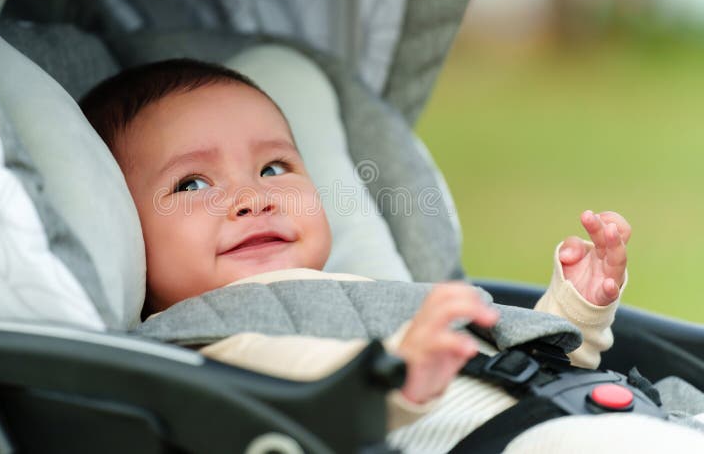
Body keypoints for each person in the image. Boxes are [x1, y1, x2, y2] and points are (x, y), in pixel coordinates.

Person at [80, 58, 701, 451]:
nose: (253, 198)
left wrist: (576, 310)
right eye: (193, 184)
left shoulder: (379, 291)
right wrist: (398, 375)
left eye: (274, 167)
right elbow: (305, 406)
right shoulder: (202, 344)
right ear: (126, 233)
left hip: (612, 406)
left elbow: (525, 362)